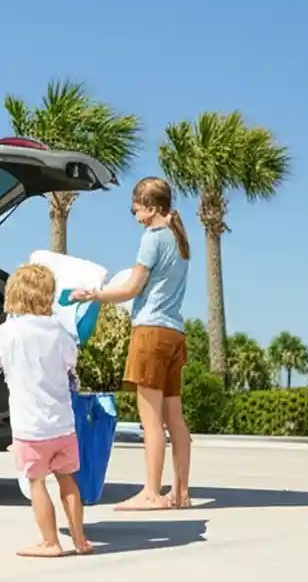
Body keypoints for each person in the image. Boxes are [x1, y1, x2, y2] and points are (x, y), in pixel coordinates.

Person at [71, 176, 193, 511]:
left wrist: (94, 294)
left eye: (135, 210)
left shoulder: (152, 238)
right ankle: (181, 493)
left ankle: (152, 493)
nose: (136, 216)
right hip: (174, 333)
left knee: (150, 419)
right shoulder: (179, 238)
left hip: (150, 332)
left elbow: (132, 288)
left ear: (152, 207)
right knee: (175, 418)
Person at [0, 264, 92, 558]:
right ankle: (80, 540)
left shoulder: (8, 332)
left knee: (37, 483)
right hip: (63, 426)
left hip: (30, 429)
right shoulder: (60, 332)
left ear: (14, 295)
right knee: (68, 480)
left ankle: (50, 541)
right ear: (48, 296)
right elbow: (71, 360)